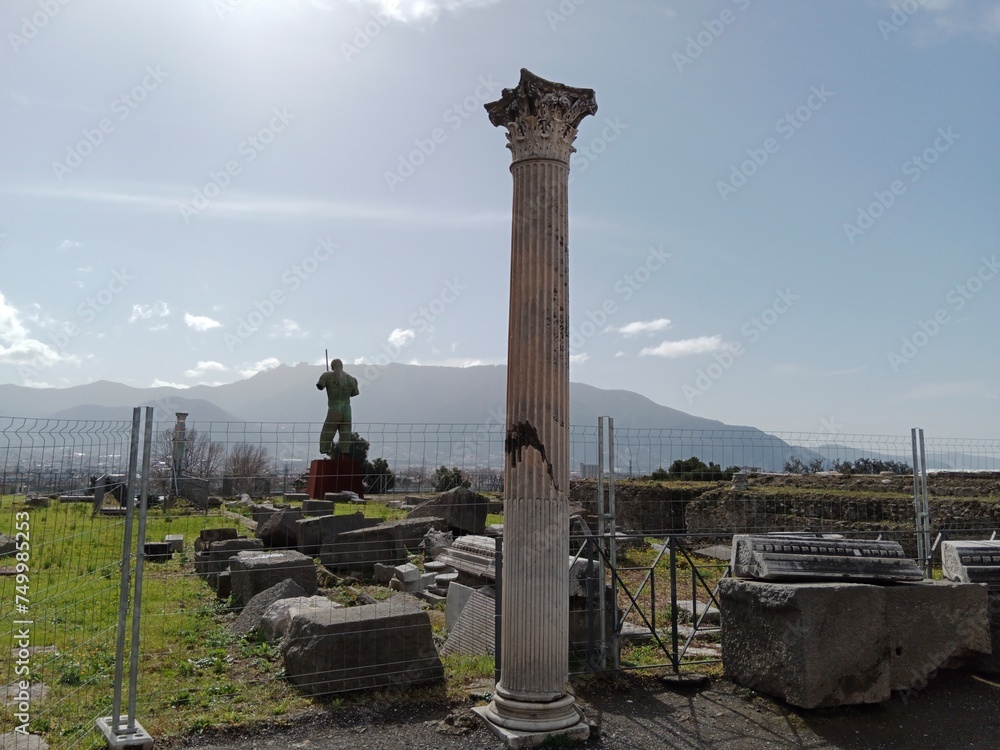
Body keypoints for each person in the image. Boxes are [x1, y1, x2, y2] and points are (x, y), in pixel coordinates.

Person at [316, 359, 359, 457]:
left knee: (327, 431)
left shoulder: (326, 376)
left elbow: (320, 386)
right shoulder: (352, 379)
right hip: (347, 410)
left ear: (332, 366)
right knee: (346, 433)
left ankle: (325, 450)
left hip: (334, 409)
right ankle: (345, 453)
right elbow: (354, 393)